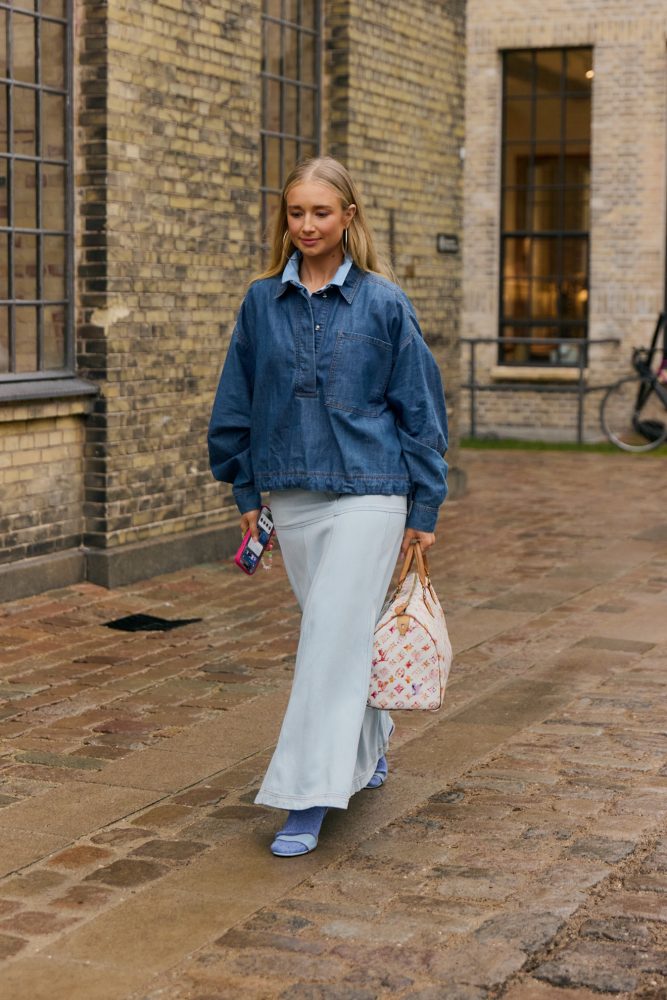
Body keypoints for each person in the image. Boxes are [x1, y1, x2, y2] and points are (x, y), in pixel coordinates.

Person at [208, 156, 448, 857]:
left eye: (320, 212)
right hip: (293, 495)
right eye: (295, 212)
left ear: (348, 217)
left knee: (324, 648)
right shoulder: (260, 302)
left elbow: (419, 411)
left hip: (371, 492)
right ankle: (371, 744)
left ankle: (306, 794)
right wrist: (246, 491)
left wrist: (423, 510)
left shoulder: (382, 303)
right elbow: (236, 403)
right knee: (338, 639)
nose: (307, 224)